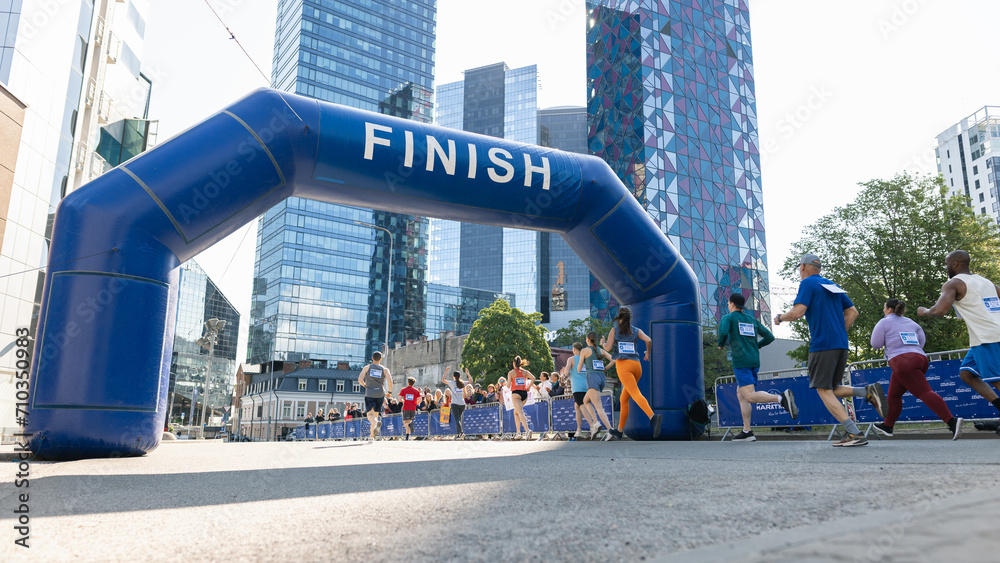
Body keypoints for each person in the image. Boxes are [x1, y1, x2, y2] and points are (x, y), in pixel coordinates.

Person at [774, 253, 886, 447]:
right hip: (841, 343)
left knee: (823, 390)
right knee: (833, 388)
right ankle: (866, 391)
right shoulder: (832, 285)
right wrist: (839, 332)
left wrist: (780, 317)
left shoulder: (807, 283)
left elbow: (798, 312)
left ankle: (854, 433)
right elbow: (853, 312)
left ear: (802, 267)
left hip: (823, 345)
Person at [918, 250, 1000, 434]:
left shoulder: (953, 283)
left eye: (946, 264)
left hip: (987, 337)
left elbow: (939, 310)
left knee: (997, 380)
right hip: (984, 337)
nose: (945, 267)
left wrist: (925, 311)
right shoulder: (986, 282)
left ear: (954, 264)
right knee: (966, 374)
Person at [872, 299, 962, 440]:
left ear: (889, 309)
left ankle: (952, 421)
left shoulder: (884, 322)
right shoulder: (912, 323)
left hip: (902, 362)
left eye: (884, 308)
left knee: (924, 392)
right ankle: (888, 425)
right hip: (920, 358)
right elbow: (921, 341)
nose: (884, 310)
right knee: (894, 395)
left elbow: (876, 344)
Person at [718, 293, 798, 441]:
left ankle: (781, 398)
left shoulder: (728, 318)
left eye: (728, 303)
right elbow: (769, 337)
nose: (728, 306)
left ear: (732, 304)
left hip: (741, 362)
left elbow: (723, 332)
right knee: (741, 394)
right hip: (754, 361)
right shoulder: (751, 320)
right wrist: (757, 346)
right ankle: (747, 431)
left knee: (749, 396)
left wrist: (720, 344)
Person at [602, 307, 662, 440]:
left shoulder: (614, 330)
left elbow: (608, 348)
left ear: (619, 317)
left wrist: (603, 343)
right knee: (624, 399)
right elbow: (649, 340)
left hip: (624, 366)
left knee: (635, 393)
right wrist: (648, 353)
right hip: (636, 366)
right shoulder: (636, 330)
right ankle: (619, 431)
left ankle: (652, 417)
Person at [577, 331, 615, 440]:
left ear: (588, 339)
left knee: (599, 407)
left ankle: (610, 430)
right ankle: (596, 422)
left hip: (592, 378)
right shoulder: (600, 350)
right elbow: (614, 360)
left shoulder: (584, 351)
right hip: (601, 378)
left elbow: (579, 369)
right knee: (585, 401)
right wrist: (606, 368)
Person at [358, 351, 393, 440]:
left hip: (370, 393)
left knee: (370, 415)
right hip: (380, 394)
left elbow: (360, 380)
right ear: (380, 359)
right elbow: (390, 380)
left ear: (372, 358)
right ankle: (371, 436)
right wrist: (389, 392)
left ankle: (376, 423)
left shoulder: (367, 367)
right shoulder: (385, 369)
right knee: (375, 415)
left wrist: (365, 385)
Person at [506, 356, 535, 440]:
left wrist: (508, 381)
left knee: (520, 412)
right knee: (516, 412)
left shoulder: (511, 373)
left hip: (516, 394)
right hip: (524, 394)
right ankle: (518, 433)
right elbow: (533, 378)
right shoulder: (525, 372)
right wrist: (528, 387)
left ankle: (527, 430)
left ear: (514, 363)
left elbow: (508, 386)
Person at [443, 366, 471, 438]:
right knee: (458, 419)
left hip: (455, 404)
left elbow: (443, 380)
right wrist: (468, 373)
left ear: (453, 377)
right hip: (462, 404)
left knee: (457, 419)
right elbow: (471, 381)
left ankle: (461, 433)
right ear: (459, 376)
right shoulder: (462, 383)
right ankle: (458, 434)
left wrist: (446, 371)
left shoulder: (452, 383)